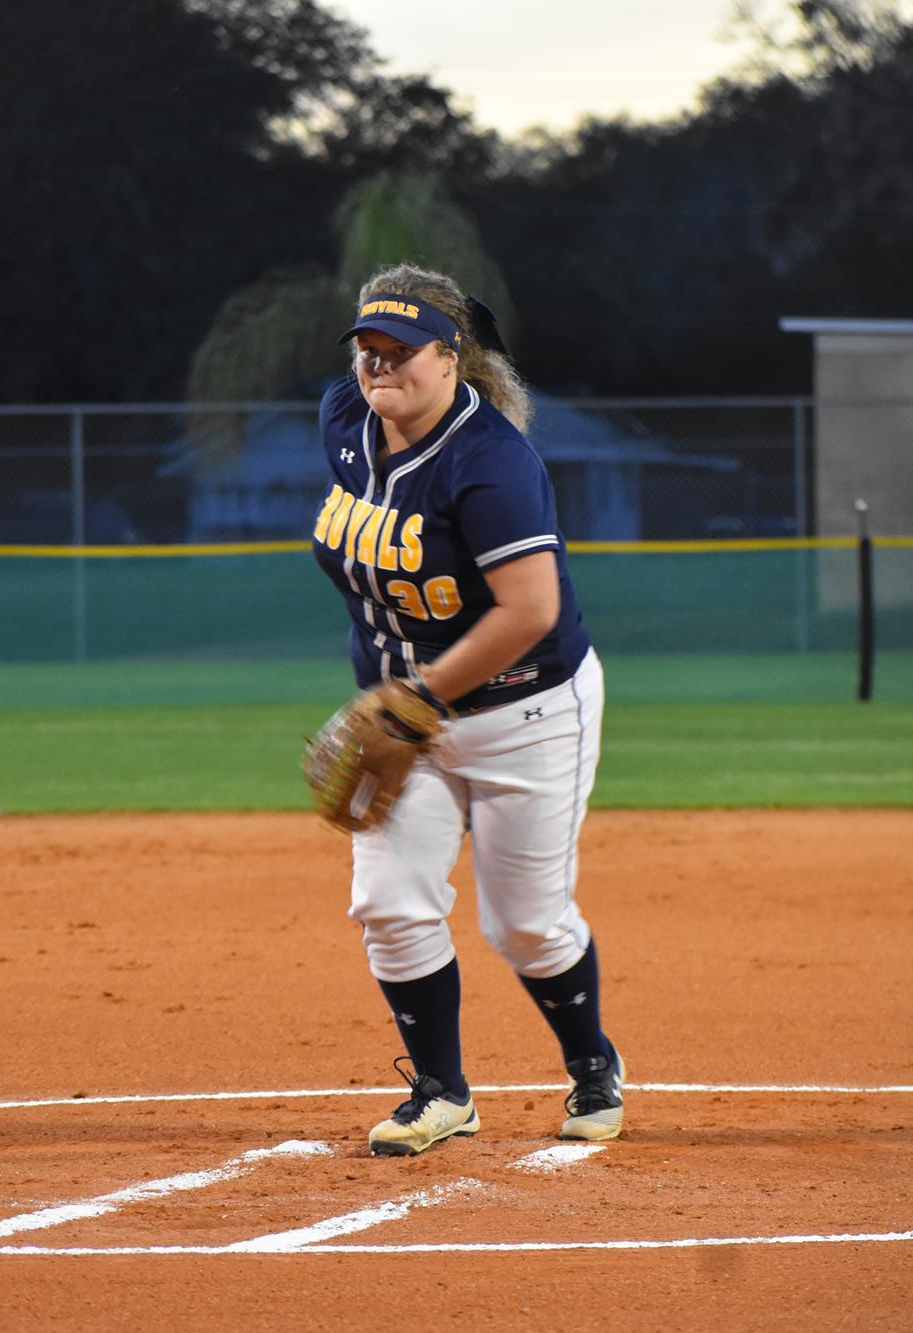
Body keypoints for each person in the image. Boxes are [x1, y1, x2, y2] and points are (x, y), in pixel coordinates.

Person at [310, 263, 622, 1157]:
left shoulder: (491, 464)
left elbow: (530, 611)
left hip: (524, 712)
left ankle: (593, 1061)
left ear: (450, 359)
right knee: (389, 902)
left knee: (523, 923)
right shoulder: (345, 421)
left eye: (401, 351)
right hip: (405, 718)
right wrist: (399, 702)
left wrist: (415, 695)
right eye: (368, 349)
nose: (379, 368)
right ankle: (442, 1093)